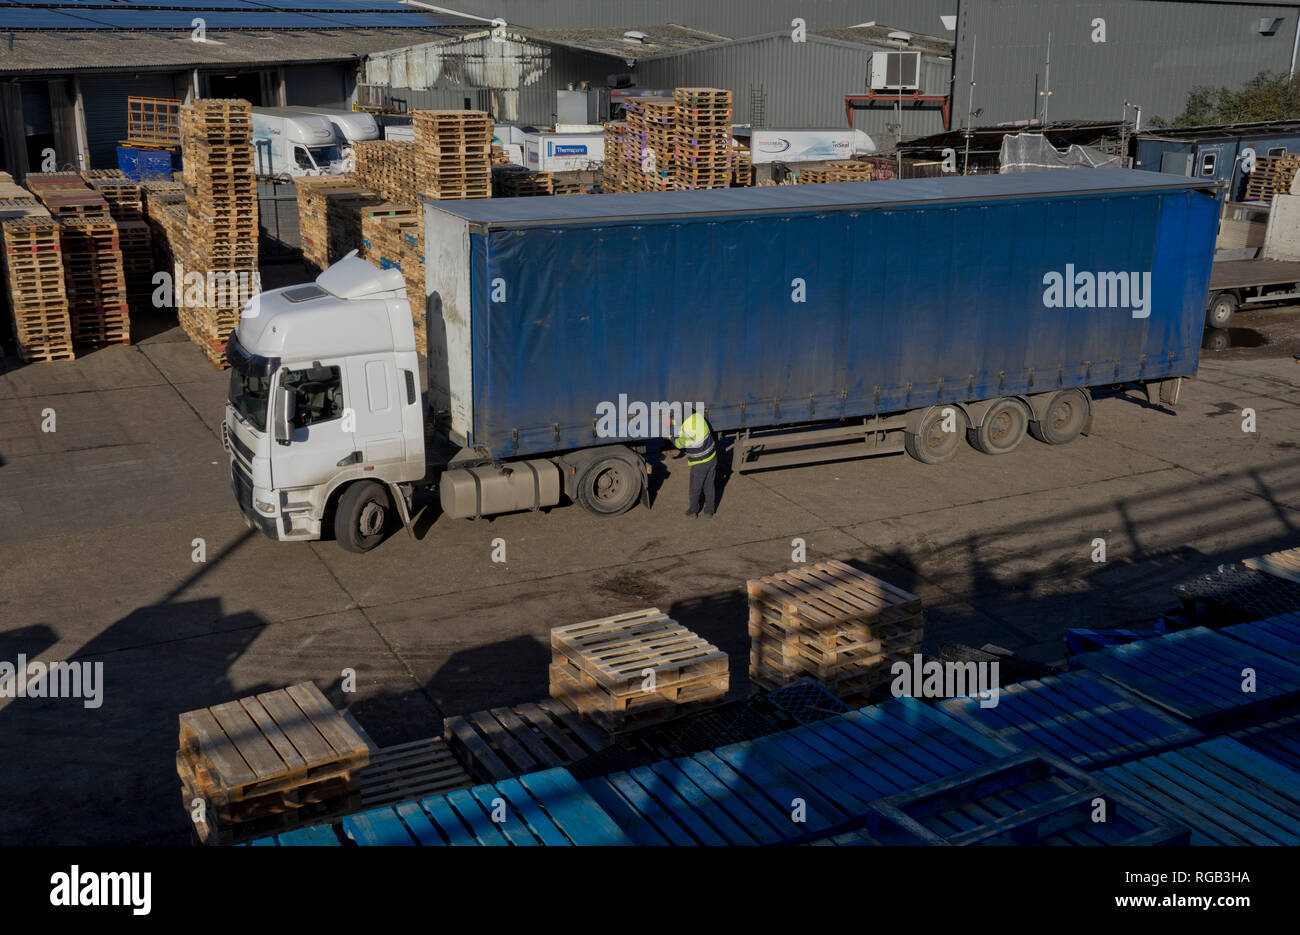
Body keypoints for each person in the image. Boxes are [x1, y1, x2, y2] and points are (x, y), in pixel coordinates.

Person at [670, 408, 717, 517]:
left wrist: (670, 437)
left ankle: (694, 510)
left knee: (695, 488)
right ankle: (709, 510)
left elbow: (679, 444)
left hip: (700, 463)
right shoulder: (699, 418)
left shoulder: (687, 429)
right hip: (712, 458)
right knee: (709, 486)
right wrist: (672, 421)